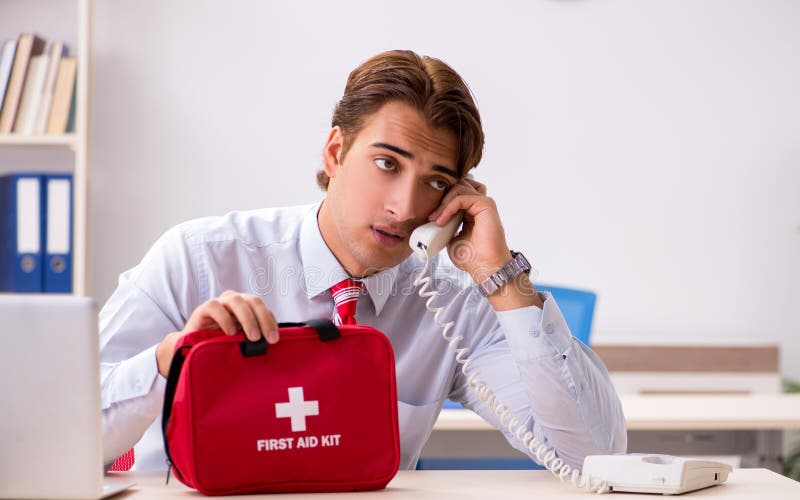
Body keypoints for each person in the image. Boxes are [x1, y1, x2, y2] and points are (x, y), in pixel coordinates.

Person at [100, 50, 627, 472]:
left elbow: (593, 459)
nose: (403, 206)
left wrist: (502, 279)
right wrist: (172, 358)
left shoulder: (450, 303)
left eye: (435, 182)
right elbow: (58, 438)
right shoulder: (199, 259)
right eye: (386, 163)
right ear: (334, 154)